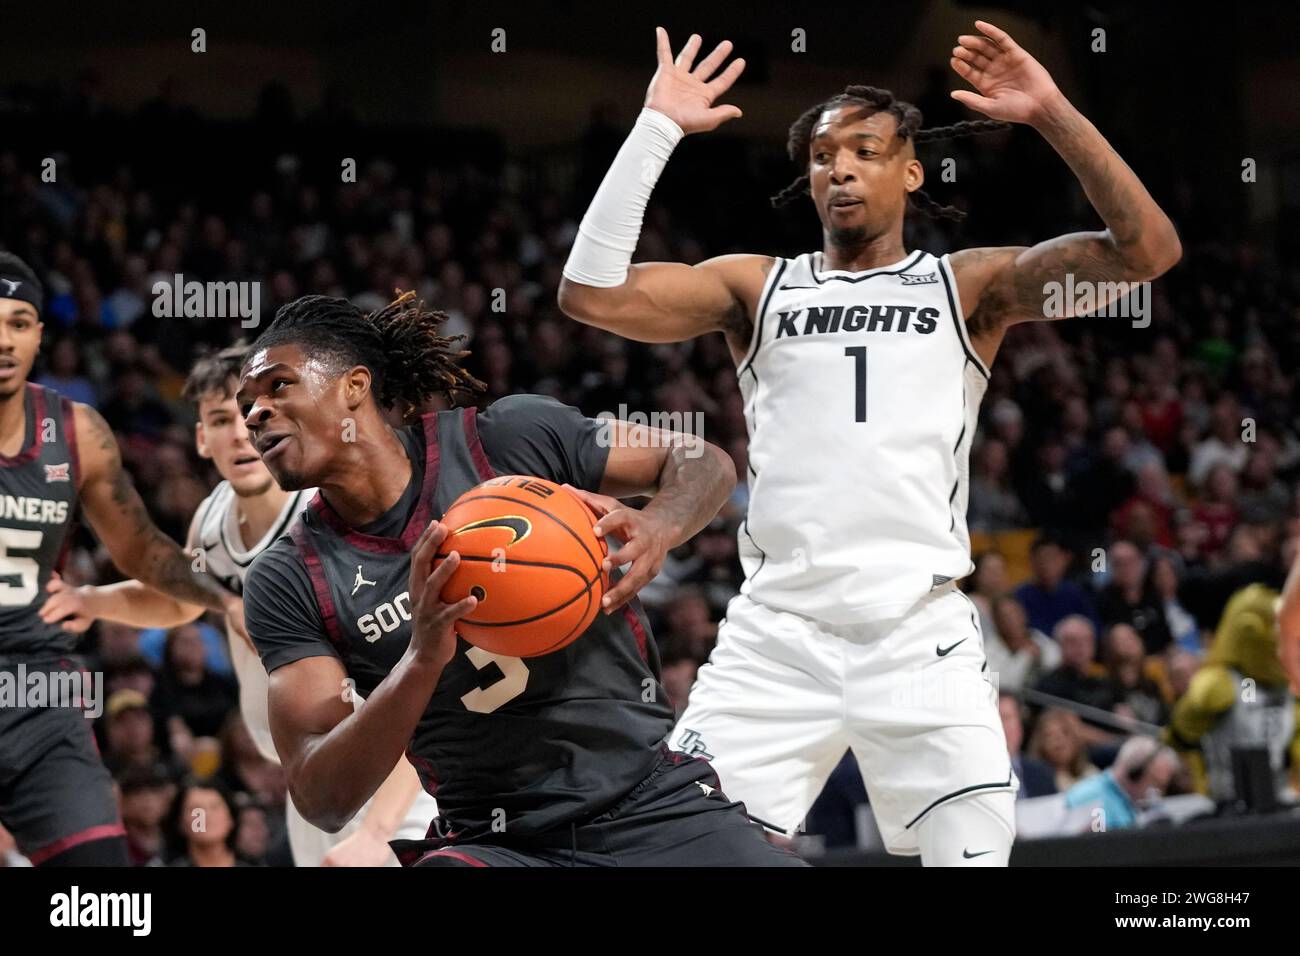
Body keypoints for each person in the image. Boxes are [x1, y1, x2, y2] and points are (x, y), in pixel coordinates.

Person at [558, 21, 1179, 866]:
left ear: (911, 171)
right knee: (679, 856)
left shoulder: (968, 287)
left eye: (865, 150)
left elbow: (1148, 253)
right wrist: (657, 126)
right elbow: (590, 295)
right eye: (821, 156)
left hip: (919, 636)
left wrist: (1052, 113)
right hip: (775, 639)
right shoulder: (756, 285)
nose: (839, 167)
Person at [238, 292, 802, 867]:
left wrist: (658, 523)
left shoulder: (507, 439)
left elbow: (700, 460)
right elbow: (321, 796)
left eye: (278, 386)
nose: (255, 414)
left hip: (652, 804)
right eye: (246, 404)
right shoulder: (288, 579)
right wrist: (421, 659)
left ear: (355, 386)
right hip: (498, 843)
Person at [40, 343, 436, 866]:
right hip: (315, 785)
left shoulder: (327, 508)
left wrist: (377, 833)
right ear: (201, 437)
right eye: (222, 418)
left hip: (395, 780)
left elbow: (417, 685)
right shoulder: (213, 517)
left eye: (254, 412)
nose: (242, 430)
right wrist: (89, 600)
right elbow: (179, 600)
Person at [0, 252, 241, 866]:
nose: (5, 339)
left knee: (104, 897)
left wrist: (224, 599)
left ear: (39, 335)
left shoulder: (75, 431)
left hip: (38, 691)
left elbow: (140, 549)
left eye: (20, 322)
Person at [1061, 735, 1179, 833]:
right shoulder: (1092, 799)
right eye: (1156, 783)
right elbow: (1095, 850)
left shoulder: (1126, 802)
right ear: (1135, 773)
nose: (1158, 793)